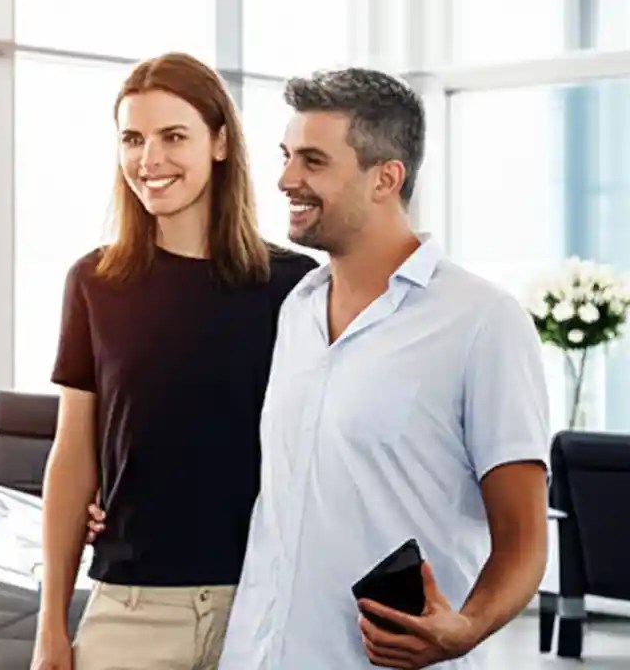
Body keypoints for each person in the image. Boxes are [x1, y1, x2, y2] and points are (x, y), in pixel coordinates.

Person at [216, 68, 550, 669]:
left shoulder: (481, 321)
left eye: (313, 161)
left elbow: (525, 537)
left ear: (385, 179)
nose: (286, 179)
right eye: (288, 156)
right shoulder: (298, 310)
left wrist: (466, 628)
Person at [30, 52, 319, 670]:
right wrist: (50, 626)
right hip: (133, 609)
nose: (148, 159)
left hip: (267, 604)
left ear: (219, 142)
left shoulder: (294, 287)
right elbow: (72, 454)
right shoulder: (94, 282)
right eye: (133, 138)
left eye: (173, 137)